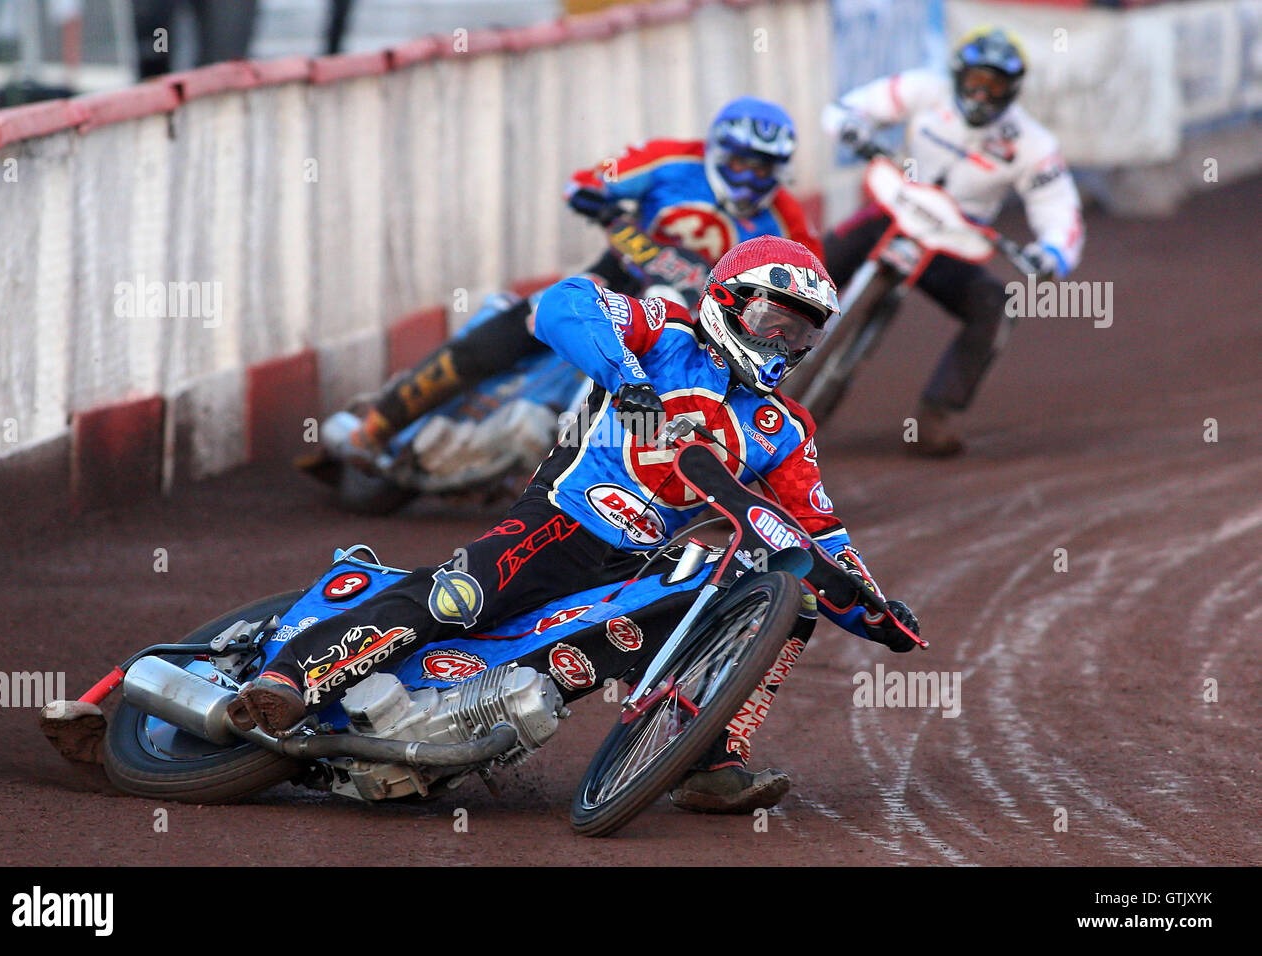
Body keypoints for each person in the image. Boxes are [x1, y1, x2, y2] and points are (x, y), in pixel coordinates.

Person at [232, 235, 921, 814]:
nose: (785, 340)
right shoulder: (668, 330)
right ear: (731, 302)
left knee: (774, 596)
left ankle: (709, 756)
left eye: (800, 331)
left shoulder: (786, 426)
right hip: (563, 517)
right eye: (777, 319)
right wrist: (626, 377)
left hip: (638, 562)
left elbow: (820, 534)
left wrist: (874, 611)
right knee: (460, 597)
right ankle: (293, 675)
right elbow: (564, 303)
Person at [336, 96, 825, 470]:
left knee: (718, 393)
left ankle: (704, 477)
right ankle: (380, 423)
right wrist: (600, 199)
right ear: (717, 149)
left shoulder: (786, 219)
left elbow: (811, 281)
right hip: (614, 281)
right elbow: (589, 179)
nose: (748, 176)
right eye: (739, 161)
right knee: (525, 320)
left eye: (761, 166)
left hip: (701, 321)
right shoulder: (670, 160)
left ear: (778, 170)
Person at [821, 26, 1085, 455]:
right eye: (975, 83)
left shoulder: (1034, 145)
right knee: (799, 265)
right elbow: (846, 108)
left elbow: (1060, 210)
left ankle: (936, 415)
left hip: (952, 244)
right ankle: (742, 362)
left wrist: (1051, 252)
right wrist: (852, 127)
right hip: (890, 214)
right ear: (958, 76)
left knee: (996, 308)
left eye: (995, 86)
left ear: (1013, 91)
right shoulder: (925, 89)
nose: (981, 96)